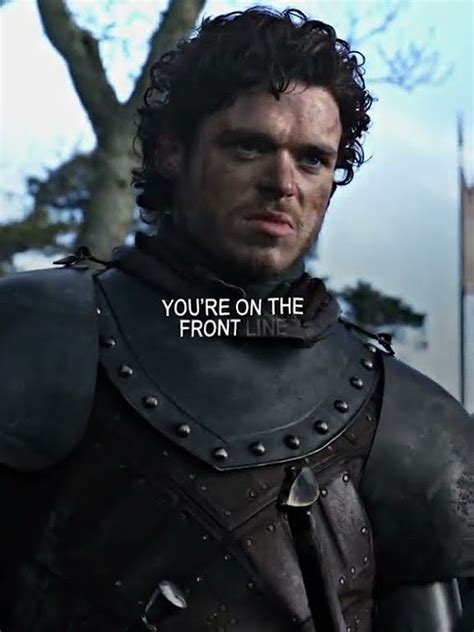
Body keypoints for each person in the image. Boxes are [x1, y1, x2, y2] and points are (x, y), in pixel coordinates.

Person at [0, 7, 472, 632]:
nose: (282, 183)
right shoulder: (35, 334)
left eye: (312, 160)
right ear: (171, 151)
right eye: (249, 146)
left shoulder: (407, 419)